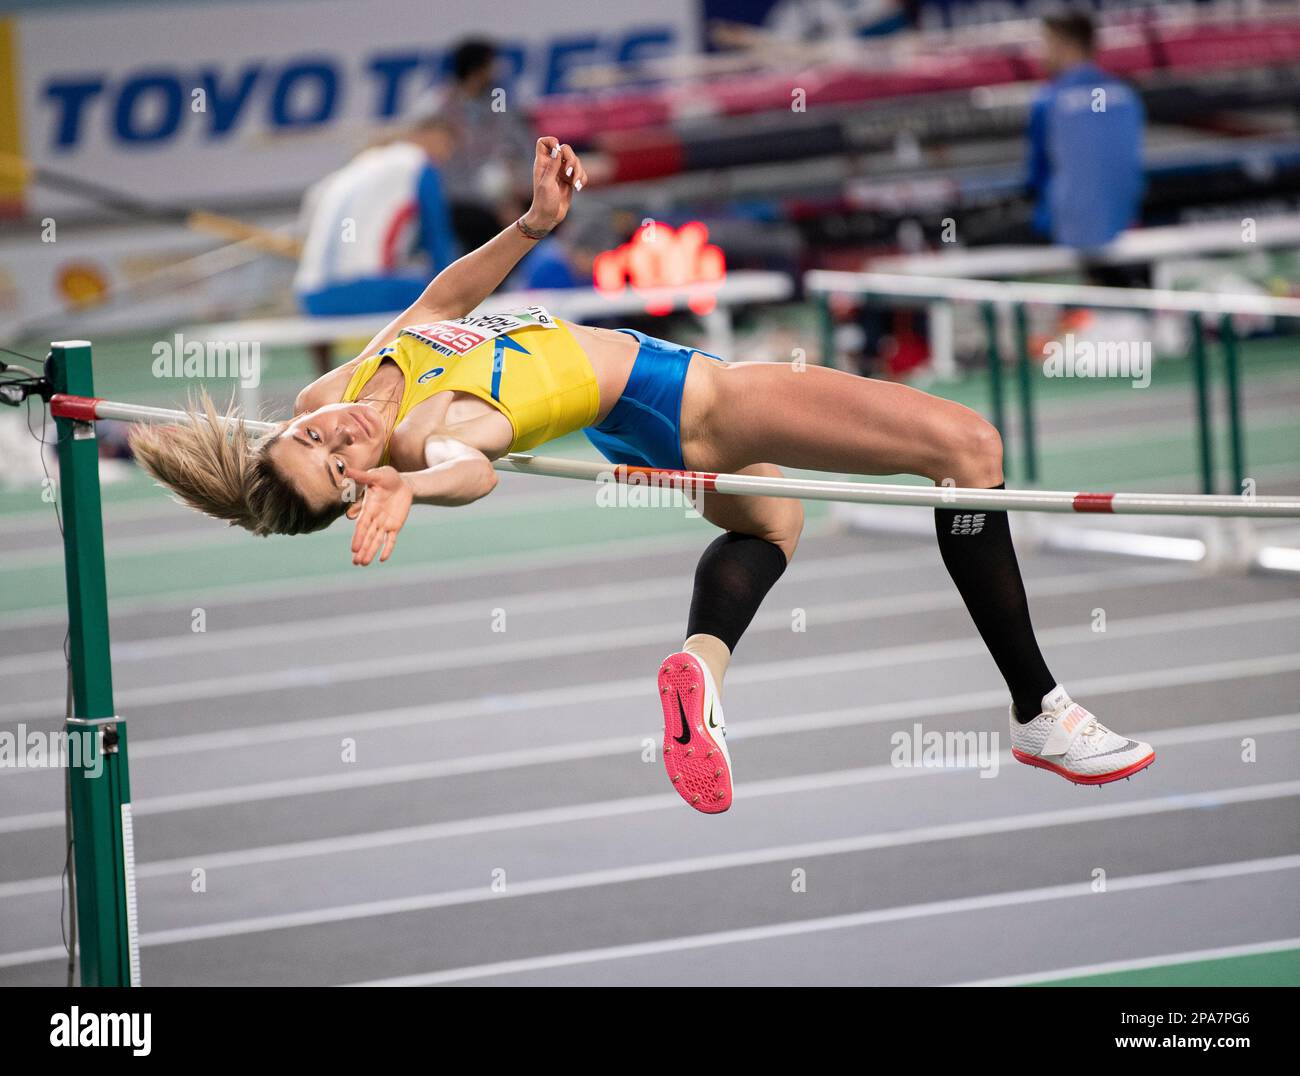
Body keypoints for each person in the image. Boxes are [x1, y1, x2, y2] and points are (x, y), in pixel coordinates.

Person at [130, 136, 1156, 815]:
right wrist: (410, 483)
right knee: (968, 450)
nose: (336, 436)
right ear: (361, 487)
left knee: (772, 526)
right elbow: (469, 470)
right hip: (689, 400)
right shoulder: (434, 433)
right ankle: (1040, 709)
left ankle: (701, 671)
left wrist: (533, 228)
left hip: (628, 425)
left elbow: (442, 293)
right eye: (341, 462)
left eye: (312, 439)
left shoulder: (344, 386)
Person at [293, 114, 459, 373]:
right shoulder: (420, 165)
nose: (447, 155)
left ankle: (324, 381)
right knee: (447, 294)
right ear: (429, 136)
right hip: (358, 288)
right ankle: (433, 378)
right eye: (448, 145)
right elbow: (438, 242)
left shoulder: (360, 164)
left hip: (310, 296)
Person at [1026, 10, 1145, 283]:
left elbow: (1036, 178)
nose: (1042, 55)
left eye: (1046, 45)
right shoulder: (1126, 96)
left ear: (1065, 45)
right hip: (1127, 229)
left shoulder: (1049, 101)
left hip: (1071, 240)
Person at [422, 38, 535, 254]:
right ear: (478, 70)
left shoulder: (497, 102)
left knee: (540, 214)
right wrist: (496, 203)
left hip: (497, 195)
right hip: (457, 202)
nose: (496, 72)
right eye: (491, 66)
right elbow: (449, 173)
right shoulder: (437, 108)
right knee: (484, 226)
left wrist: (509, 194)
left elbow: (515, 148)